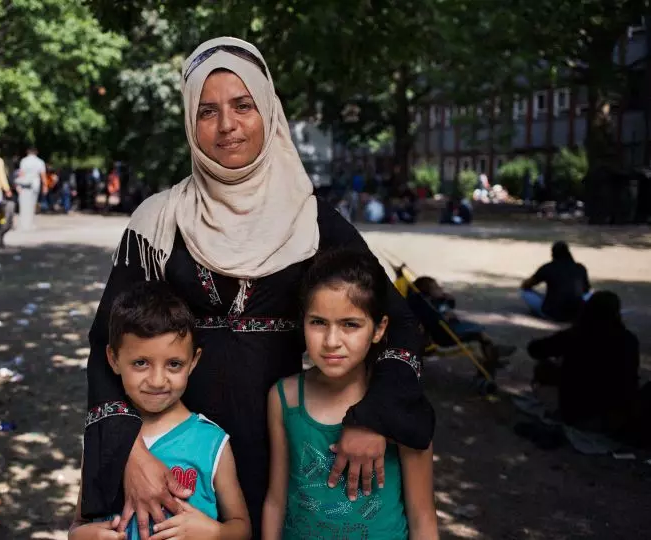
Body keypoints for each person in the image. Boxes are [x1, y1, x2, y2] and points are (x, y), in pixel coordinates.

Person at [73, 37, 433, 540]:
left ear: (268, 110)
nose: (227, 125)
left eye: (243, 106)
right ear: (189, 121)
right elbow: (105, 344)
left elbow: (402, 323)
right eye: (208, 110)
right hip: (172, 458)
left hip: (280, 455)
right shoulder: (156, 223)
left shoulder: (311, 222)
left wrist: (373, 417)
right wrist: (127, 452)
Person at [263, 249, 438, 539]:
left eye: (350, 324)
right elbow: (276, 500)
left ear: (379, 329)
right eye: (318, 322)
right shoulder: (285, 398)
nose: (332, 342)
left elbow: (422, 516)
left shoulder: (402, 405)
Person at [72, 281, 251, 539]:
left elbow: (241, 528)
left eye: (174, 364)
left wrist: (215, 533)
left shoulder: (212, 443)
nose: (157, 380)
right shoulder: (102, 439)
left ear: (193, 361)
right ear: (113, 359)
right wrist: (87, 535)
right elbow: (77, 525)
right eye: (141, 363)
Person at [528, 291, 640, 438]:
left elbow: (535, 349)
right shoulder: (629, 340)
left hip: (581, 416)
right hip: (619, 415)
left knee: (543, 368)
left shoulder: (575, 335)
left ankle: (555, 405)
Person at [410, 276, 515, 376]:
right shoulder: (428, 309)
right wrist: (444, 318)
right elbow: (432, 322)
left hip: (453, 331)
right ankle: (491, 360)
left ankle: (493, 356)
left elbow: (448, 305)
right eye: (436, 288)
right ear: (429, 293)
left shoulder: (436, 302)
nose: (440, 288)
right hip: (447, 338)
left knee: (481, 335)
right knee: (478, 340)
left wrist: (449, 299)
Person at [521, 241, 591, 322]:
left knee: (524, 292)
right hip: (576, 313)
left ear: (552, 254)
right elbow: (586, 289)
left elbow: (527, 285)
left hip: (552, 313)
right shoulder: (580, 267)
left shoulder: (548, 267)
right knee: (589, 294)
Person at [17, 147, 47, 230]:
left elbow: (21, 173)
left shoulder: (24, 161)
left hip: (24, 184)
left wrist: (18, 186)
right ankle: (30, 223)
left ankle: (23, 223)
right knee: (33, 203)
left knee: (24, 204)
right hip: (35, 184)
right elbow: (43, 175)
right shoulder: (39, 161)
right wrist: (45, 186)